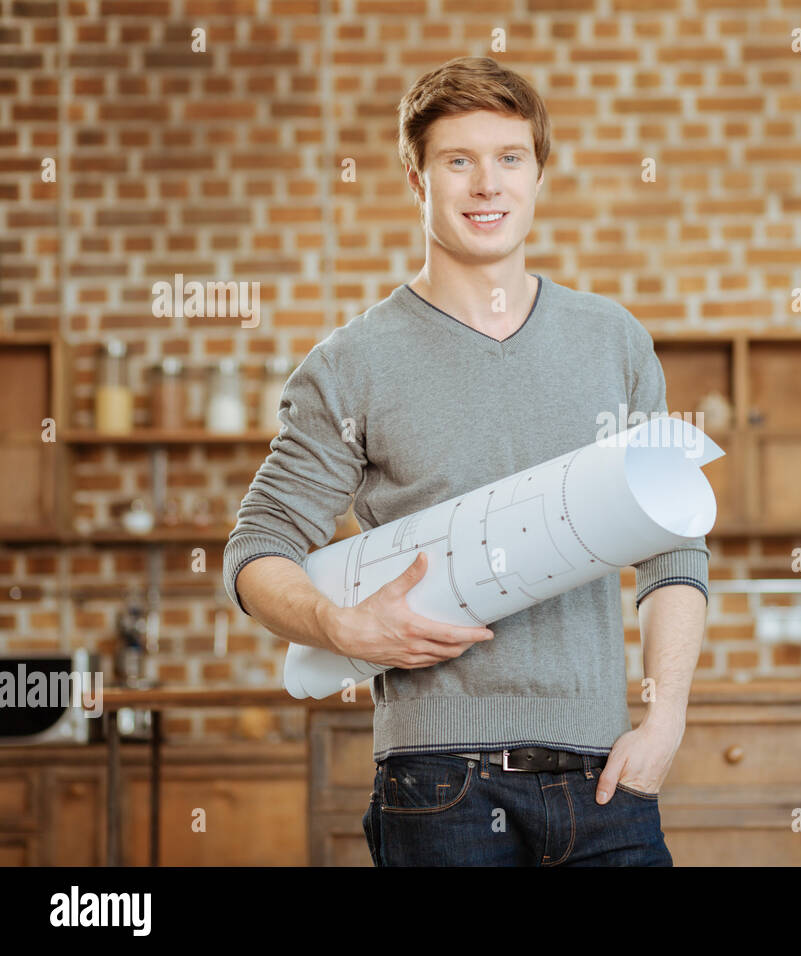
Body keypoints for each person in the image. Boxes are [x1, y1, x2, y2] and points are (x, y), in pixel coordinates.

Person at [222, 56, 709, 866]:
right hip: (437, 784)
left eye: (509, 158)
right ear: (417, 180)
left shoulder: (613, 341)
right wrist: (342, 624)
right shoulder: (351, 365)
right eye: (459, 161)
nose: (488, 185)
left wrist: (665, 721)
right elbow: (257, 548)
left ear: (537, 175)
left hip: (602, 779)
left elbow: (673, 544)